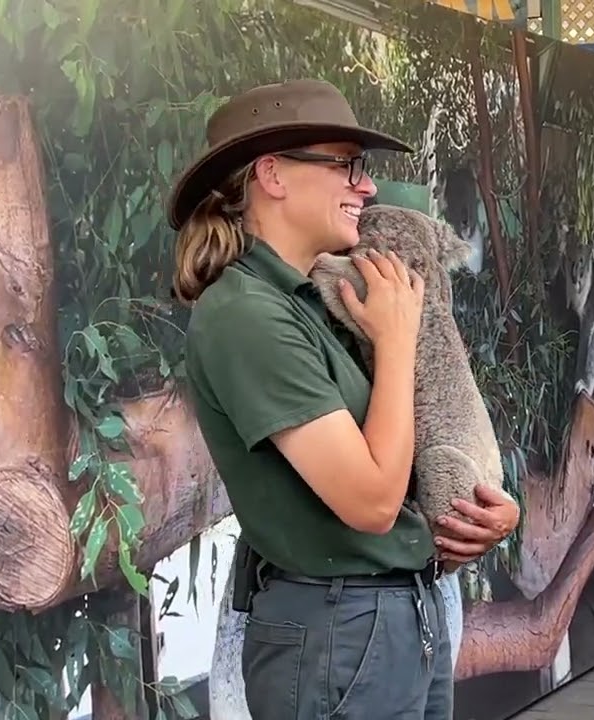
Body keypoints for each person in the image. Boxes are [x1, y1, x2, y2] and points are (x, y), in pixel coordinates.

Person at [168, 78, 519, 720]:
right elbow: (372, 500)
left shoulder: (317, 300)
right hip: (337, 626)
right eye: (346, 166)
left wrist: (482, 515)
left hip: (398, 609)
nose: (367, 186)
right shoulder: (246, 315)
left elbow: (407, 453)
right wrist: (396, 339)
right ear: (271, 175)